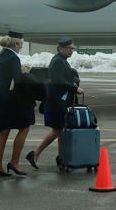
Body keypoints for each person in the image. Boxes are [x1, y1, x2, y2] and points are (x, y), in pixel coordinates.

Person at [25, 38, 83, 169]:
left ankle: (61, 157)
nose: (71, 51)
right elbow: (58, 81)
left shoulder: (62, 61)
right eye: (69, 48)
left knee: (60, 129)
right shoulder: (58, 61)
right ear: (61, 48)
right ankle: (36, 153)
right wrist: (75, 88)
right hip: (56, 101)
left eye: (73, 48)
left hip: (60, 101)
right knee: (57, 129)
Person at [0, 36, 34, 176]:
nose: (21, 47)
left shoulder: (0, 56)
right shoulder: (14, 58)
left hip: (0, 96)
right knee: (25, 127)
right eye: (20, 44)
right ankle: (14, 162)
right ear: (15, 44)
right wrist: (26, 73)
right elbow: (18, 80)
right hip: (13, 99)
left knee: (3, 131)